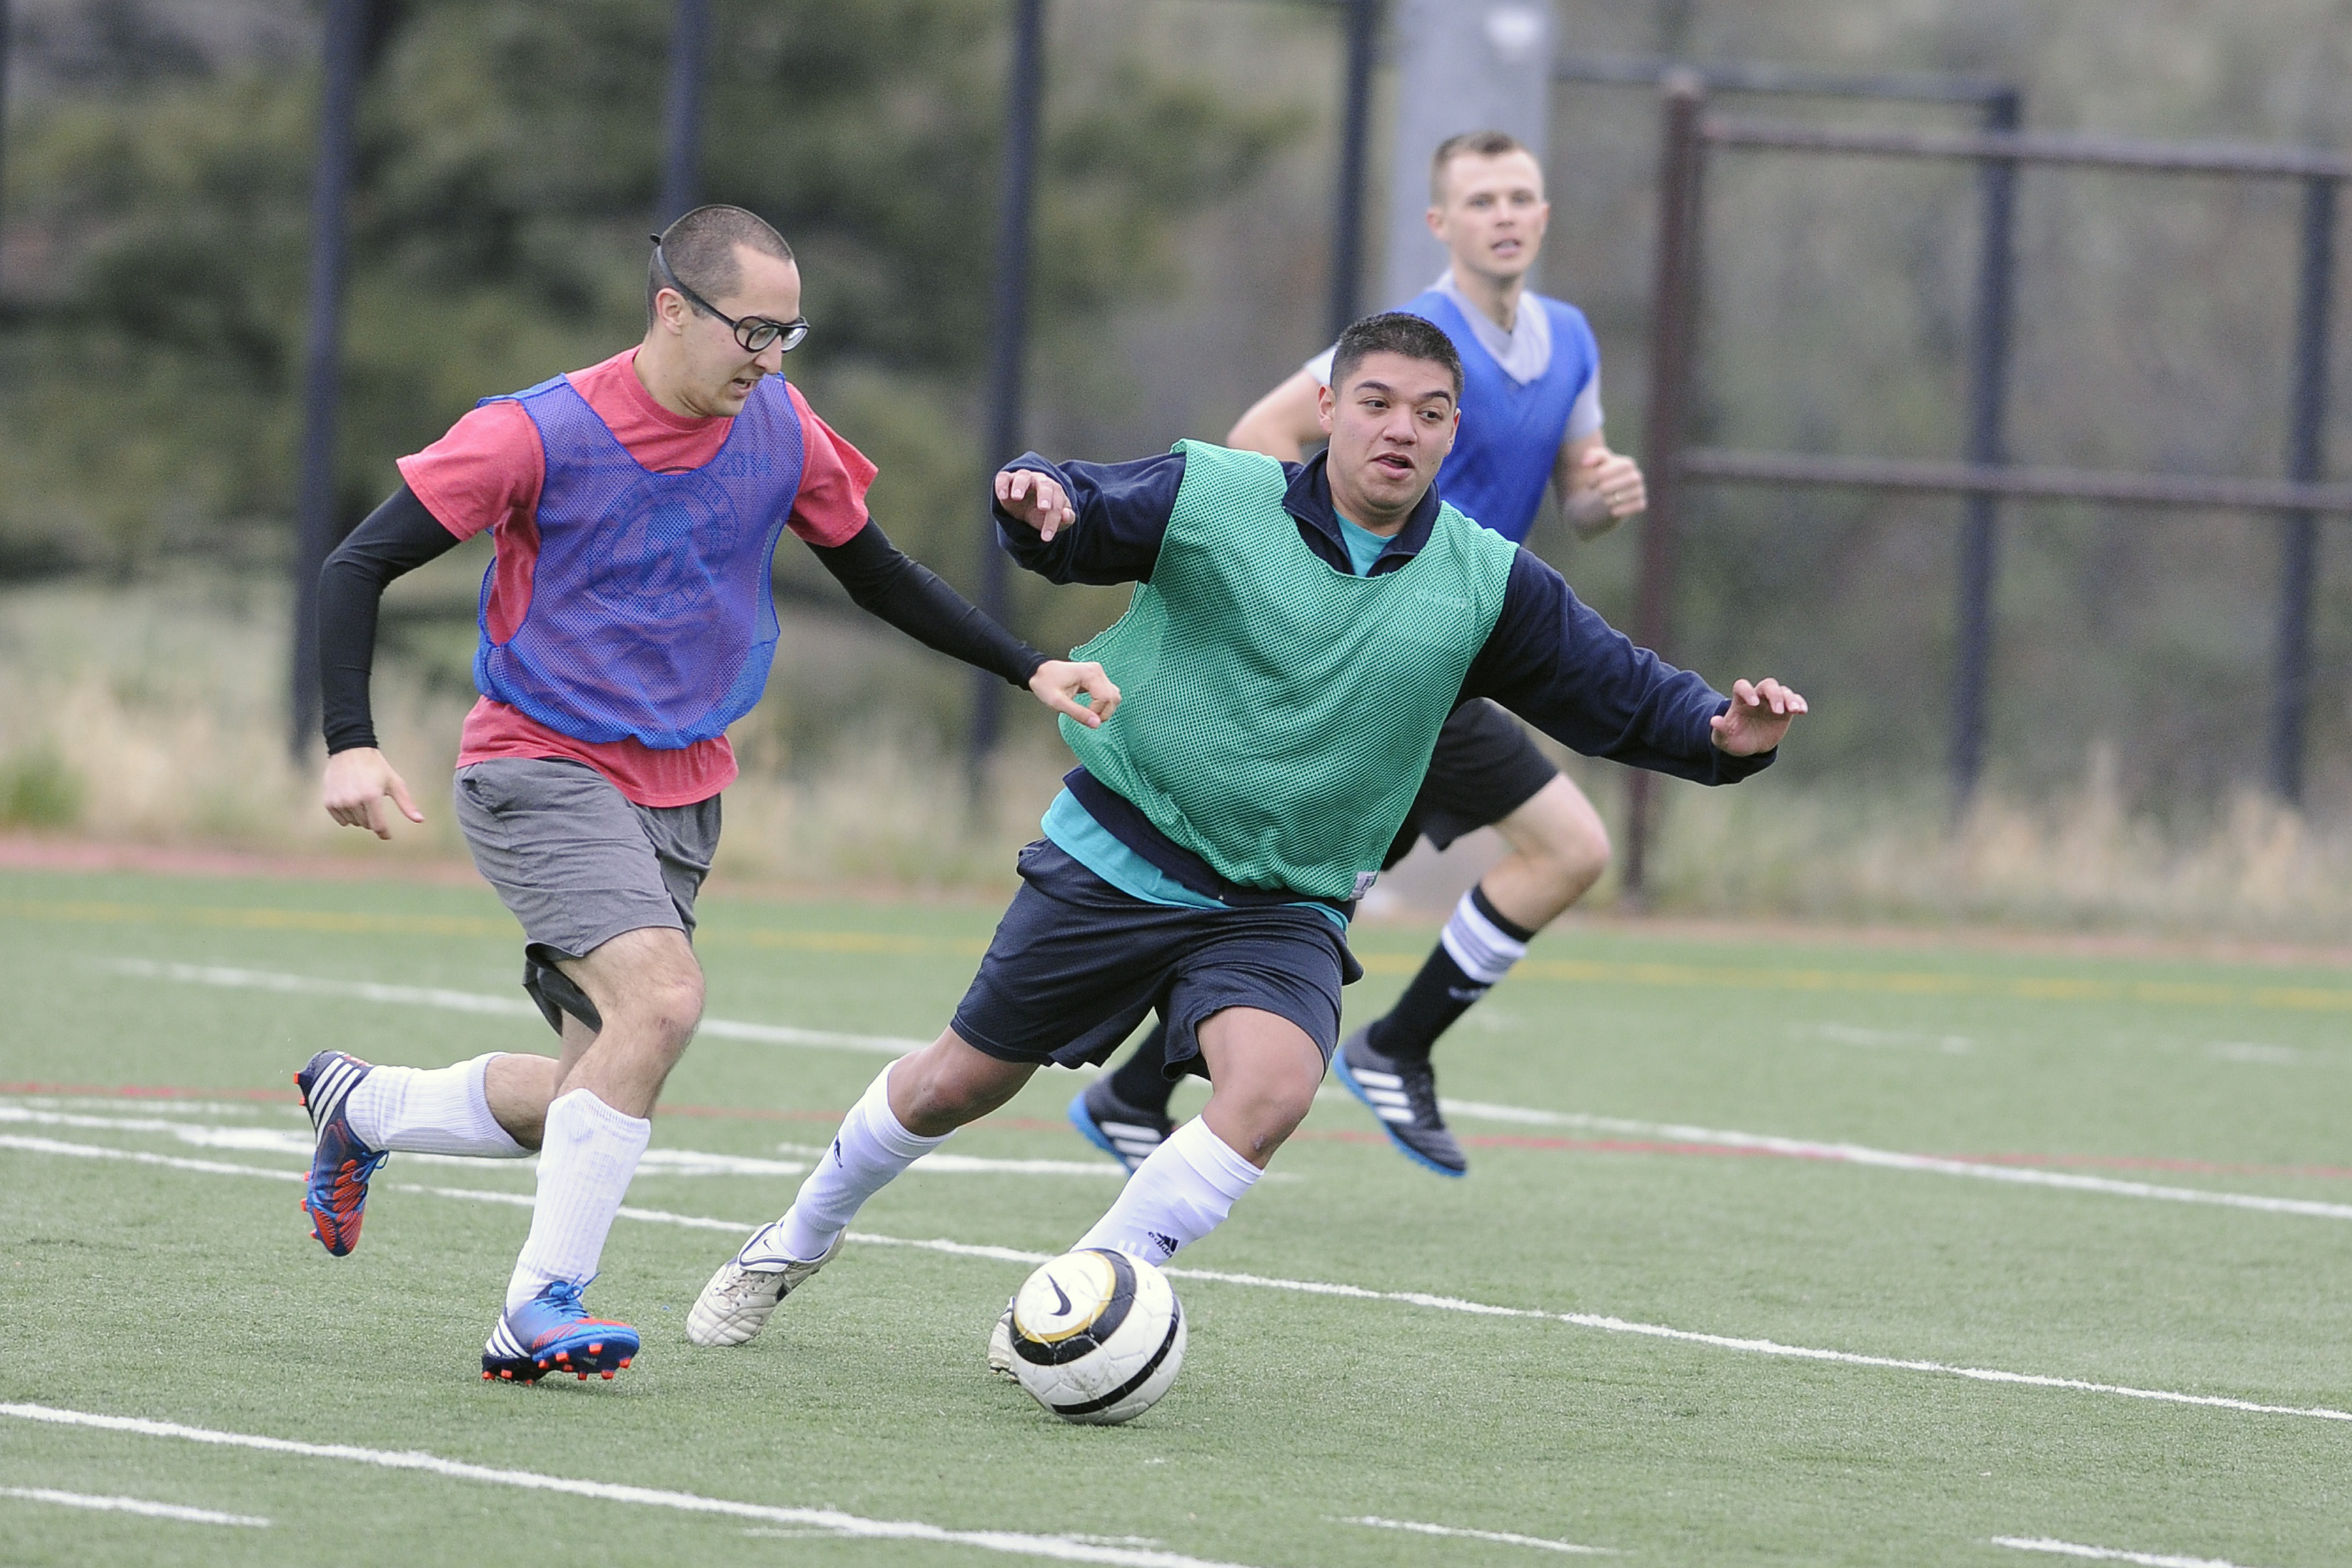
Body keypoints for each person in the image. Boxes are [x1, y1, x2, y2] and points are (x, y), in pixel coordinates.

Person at [682, 312, 1803, 1371]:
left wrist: (1721, 734)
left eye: (1428, 411)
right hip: (1122, 856)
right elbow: (1086, 510)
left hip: (1285, 900)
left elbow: (1620, 691)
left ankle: (1087, 1296)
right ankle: (795, 1237)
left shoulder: (1488, 581)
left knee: (1271, 1088)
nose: (1400, 429)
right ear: (1326, 407)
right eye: (1376, 402)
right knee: (954, 1085)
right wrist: (1046, 508)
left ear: (1453, 430)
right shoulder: (1218, 493)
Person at [291, 204, 1117, 1386]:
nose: (769, 359)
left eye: (789, 334)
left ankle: (365, 1108)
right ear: (672, 308)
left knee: (593, 1079)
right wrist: (351, 742)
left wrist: (1029, 666)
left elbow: (876, 573)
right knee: (665, 1002)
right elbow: (355, 563)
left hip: (684, 791)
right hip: (540, 764)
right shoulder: (533, 433)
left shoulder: (780, 424)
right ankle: (538, 1308)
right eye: (751, 330)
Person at [1073, 129, 1647, 1179]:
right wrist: (1328, 583)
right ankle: (1390, 1047)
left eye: (1521, 196)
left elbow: (1575, 492)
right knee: (1554, 851)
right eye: (1481, 201)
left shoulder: (1570, 339)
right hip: (1392, 654)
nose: (1506, 215)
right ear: (1442, 224)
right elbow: (1259, 435)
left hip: (1448, 661)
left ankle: (1144, 1089)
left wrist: (1599, 500)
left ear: (1545, 214)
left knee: (1314, 888)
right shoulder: (1413, 338)